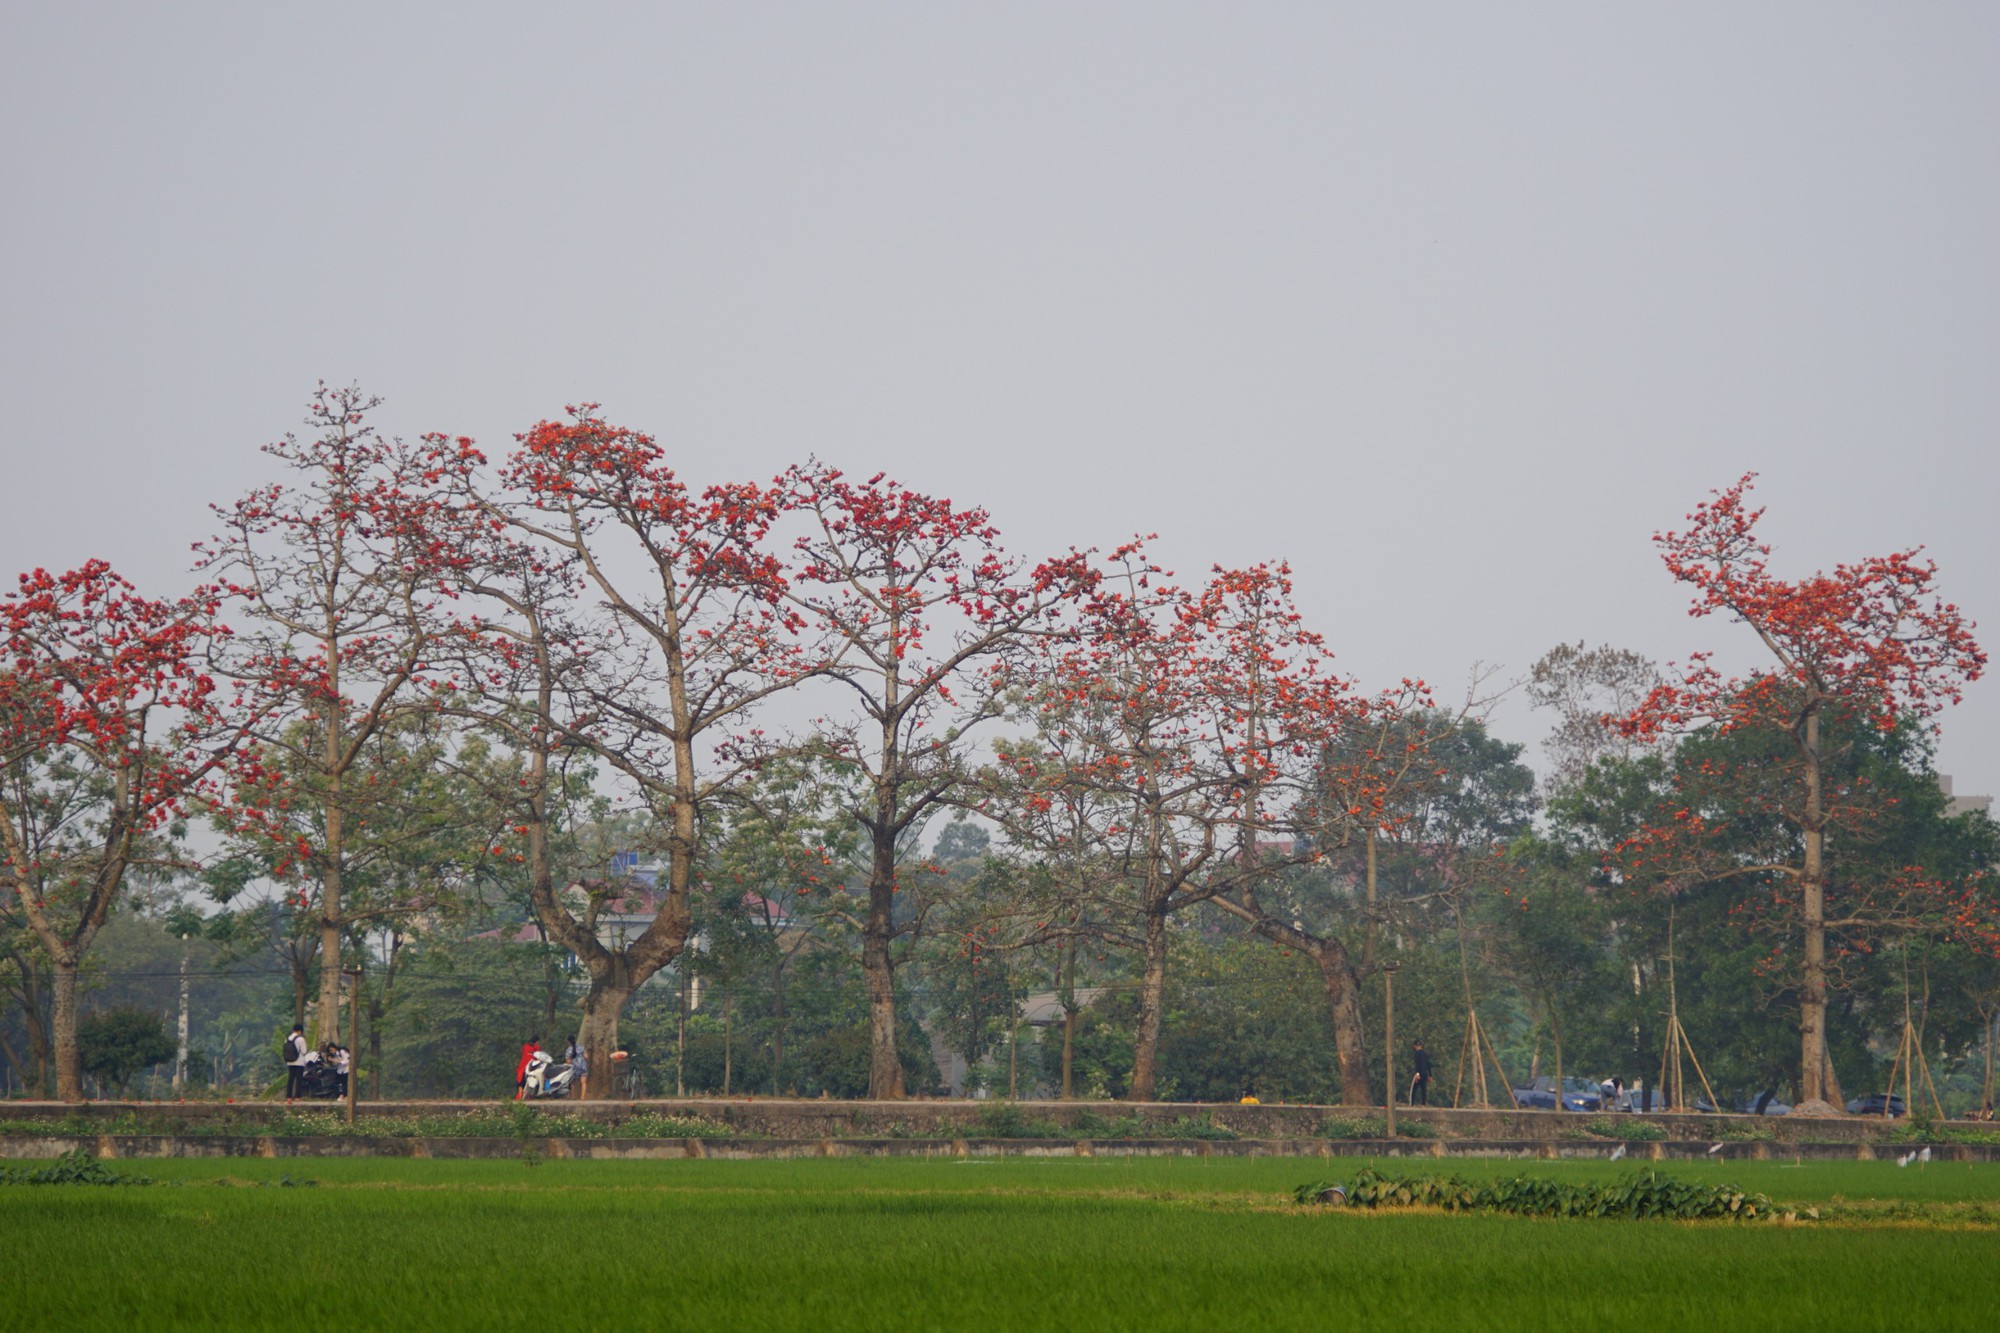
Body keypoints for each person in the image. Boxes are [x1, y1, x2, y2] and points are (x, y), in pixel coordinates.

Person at [283, 1024, 309, 1103]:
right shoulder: (301, 1039)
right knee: (298, 1079)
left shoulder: (287, 1039)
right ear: (300, 1031)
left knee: (290, 1079)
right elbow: (304, 1051)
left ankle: (289, 1097)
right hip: (299, 1062)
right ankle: (298, 1097)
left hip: (290, 1062)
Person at [515, 1035, 541, 1101]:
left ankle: (526, 1096)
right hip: (524, 1067)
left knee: (524, 1082)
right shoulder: (528, 1047)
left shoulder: (532, 1047)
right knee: (521, 1082)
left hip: (530, 1067)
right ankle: (521, 1096)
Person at [1410, 1041, 1432, 1106]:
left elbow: (1418, 1064)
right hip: (1425, 1073)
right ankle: (1423, 1104)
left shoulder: (1417, 1054)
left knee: (1414, 1089)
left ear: (1415, 1046)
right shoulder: (1425, 1053)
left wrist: (1417, 1074)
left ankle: (1412, 1104)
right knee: (1423, 1089)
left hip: (1419, 1073)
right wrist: (1430, 1075)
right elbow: (1428, 1064)